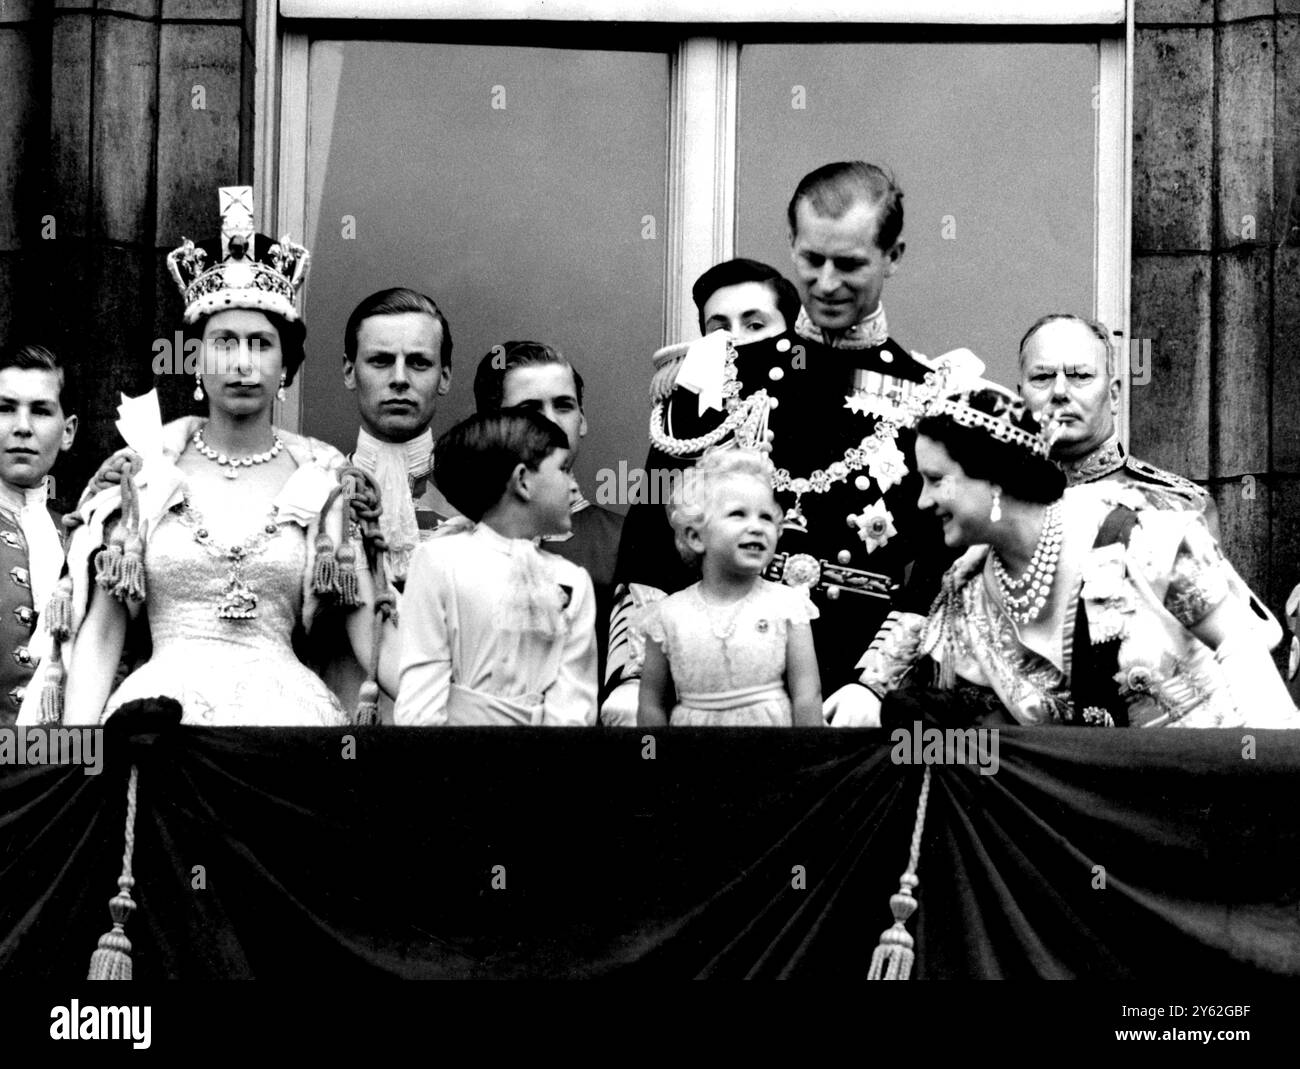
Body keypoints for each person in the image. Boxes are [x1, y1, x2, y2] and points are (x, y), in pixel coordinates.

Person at [20, 186, 388, 727]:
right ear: (195, 359)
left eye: (261, 345)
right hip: (160, 731)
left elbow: (371, 639)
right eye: (224, 342)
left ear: (286, 367)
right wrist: (80, 756)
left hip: (288, 730)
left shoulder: (325, 480)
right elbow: (102, 633)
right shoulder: (145, 474)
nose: (242, 363)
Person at [608, 162, 945, 725]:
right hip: (710, 686)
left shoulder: (928, 395)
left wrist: (877, 685)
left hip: (847, 689)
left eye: (851, 264)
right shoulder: (720, 377)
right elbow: (650, 541)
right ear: (791, 243)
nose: (828, 283)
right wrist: (634, 676)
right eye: (812, 260)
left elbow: (938, 563)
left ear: (895, 256)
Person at [834, 383, 1297, 729]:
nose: (922, 501)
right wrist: (874, 697)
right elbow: (989, 733)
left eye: (936, 480)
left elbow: (1241, 648)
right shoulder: (967, 594)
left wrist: (1273, 779)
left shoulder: (1135, 537)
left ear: (993, 478)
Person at [395, 409, 597, 726]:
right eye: (564, 470)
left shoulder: (572, 581)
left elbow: (573, 709)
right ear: (523, 482)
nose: (573, 486)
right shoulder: (439, 562)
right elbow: (420, 702)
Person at [472, 340, 623, 683]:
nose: (551, 423)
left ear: (582, 420)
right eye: (530, 408)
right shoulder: (458, 541)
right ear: (492, 423)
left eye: (564, 406)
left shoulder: (625, 541)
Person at [637, 448, 822, 727]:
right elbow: (650, 704)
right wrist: (651, 762)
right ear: (696, 536)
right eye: (739, 514)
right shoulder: (668, 615)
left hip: (772, 750)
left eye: (766, 517)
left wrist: (812, 764)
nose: (757, 527)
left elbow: (808, 695)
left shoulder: (788, 606)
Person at [1018, 313, 1218, 533]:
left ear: (1113, 395)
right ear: (1020, 397)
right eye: (1042, 377)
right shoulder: (994, 503)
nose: (1059, 391)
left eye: (1081, 376)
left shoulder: (1178, 506)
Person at [343, 287, 457, 588]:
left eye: (419, 362)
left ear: (444, 377)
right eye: (380, 361)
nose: (400, 379)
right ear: (350, 372)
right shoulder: (316, 494)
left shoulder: (477, 504)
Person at [0, 343, 77, 726]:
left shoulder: (83, 538)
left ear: (68, 431)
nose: (23, 427)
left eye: (41, 411)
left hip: (58, 770)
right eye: (5, 409)